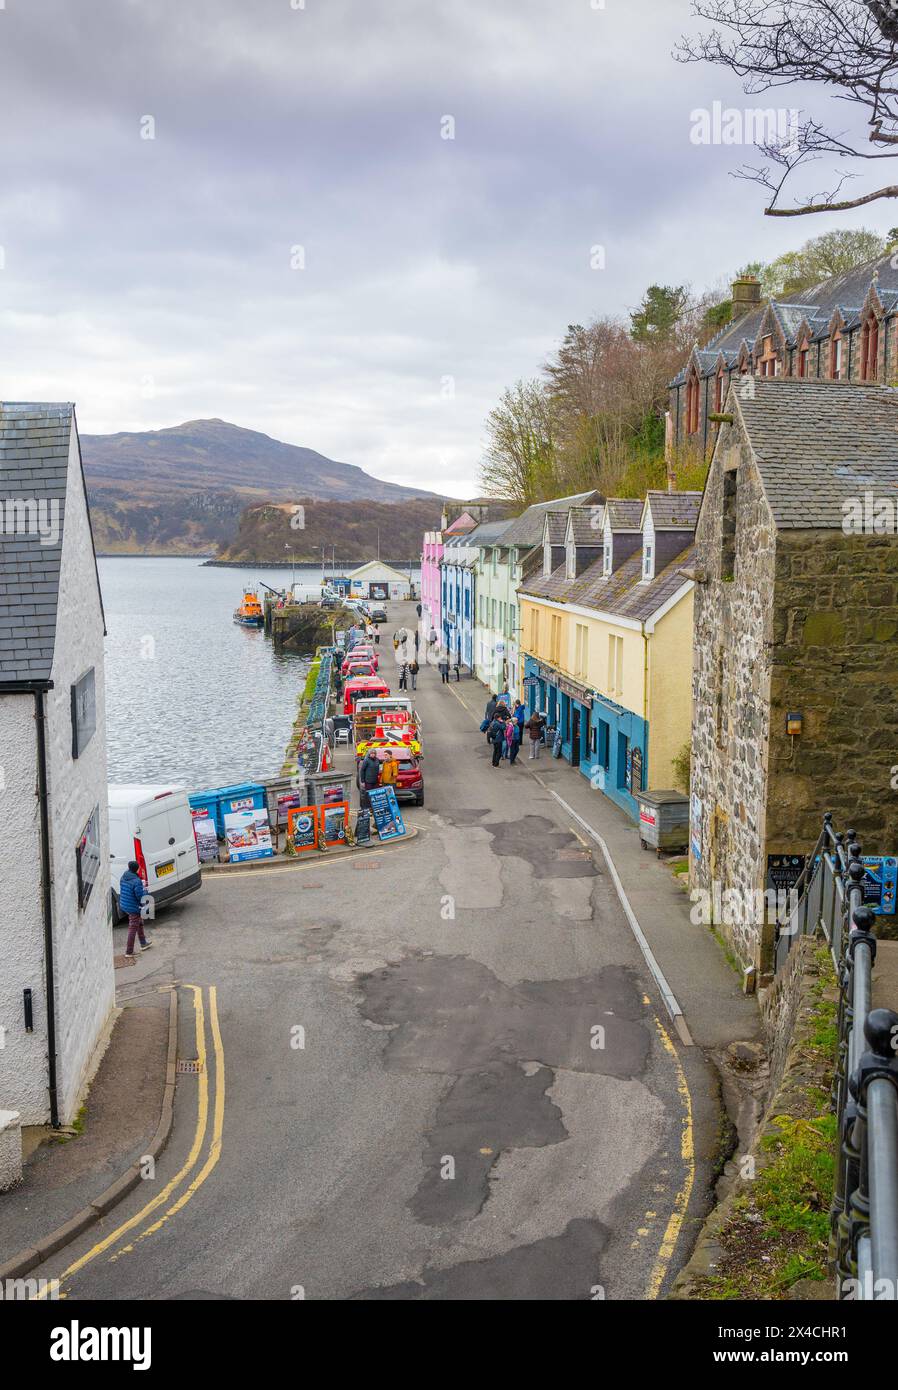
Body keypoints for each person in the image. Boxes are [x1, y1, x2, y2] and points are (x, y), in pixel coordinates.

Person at [120, 860, 153, 958]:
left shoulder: (124, 876)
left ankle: (143, 943)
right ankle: (129, 951)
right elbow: (140, 897)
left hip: (124, 904)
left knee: (139, 922)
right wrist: (145, 890)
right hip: (133, 906)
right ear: (137, 869)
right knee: (133, 927)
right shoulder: (136, 881)